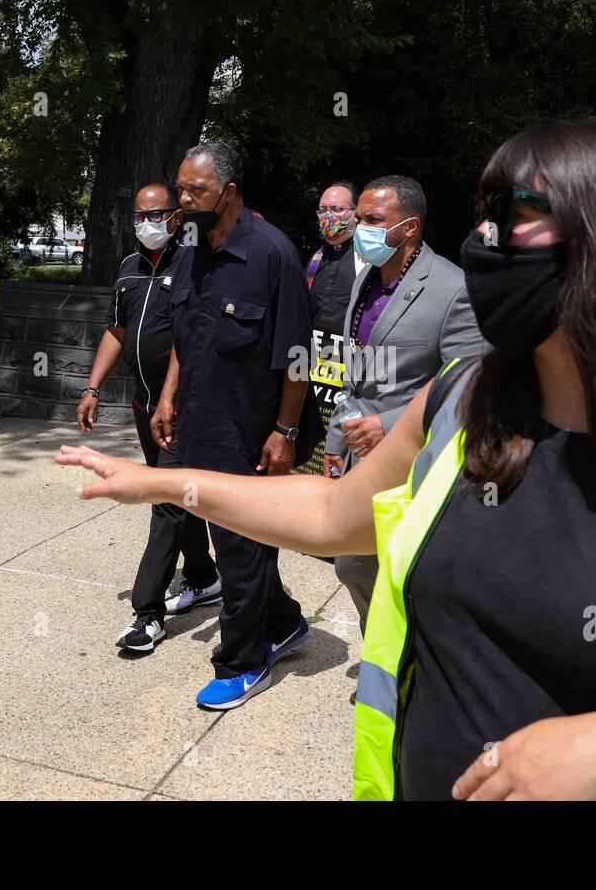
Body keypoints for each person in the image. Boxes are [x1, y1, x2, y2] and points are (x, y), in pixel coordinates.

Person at [59, 118, 596, 802]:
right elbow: (329, 517)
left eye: (512, 213)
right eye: (483, 211)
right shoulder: (462, 403)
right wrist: (165, 484)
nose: (482, 236)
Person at [150, 140, 323, 710]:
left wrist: (286, 432)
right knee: (228, 536)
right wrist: (168, 397)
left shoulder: (273, 255)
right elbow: (185, 333)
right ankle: (286, 621)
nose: (182, 199)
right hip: (198, 419)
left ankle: (244, 662)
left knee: (241, 543)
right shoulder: (192, 246)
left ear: (227, 191)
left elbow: (298, 356)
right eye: (180, 187)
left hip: (249, 429)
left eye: (194, 189)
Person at [323, 175, 483, 638]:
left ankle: (411, 664)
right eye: (359, 219)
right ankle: (389, 656)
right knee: (354, 563)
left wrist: (392, 423)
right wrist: (337, 436)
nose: (360, 230)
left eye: (373, 221)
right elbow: (354, 374)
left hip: (419, 458)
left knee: (410, 571)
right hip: (360, 454)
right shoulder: (365, 282)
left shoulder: (453, 288)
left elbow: (470, 380)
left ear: (409, 226)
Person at [77, 183, 220, 653]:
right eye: (138, 216)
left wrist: (169, 398)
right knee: (180, 495)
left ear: (175, 218)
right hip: (145, 404)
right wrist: (93, 387)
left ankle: (148, 613)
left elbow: (190, 337)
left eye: (156, 214)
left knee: (164, 500)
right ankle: (202, 576)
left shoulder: (192, 263)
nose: (146, 224)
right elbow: (116, 331)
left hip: (180, 405)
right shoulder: (127, 268)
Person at [306, 181, 360, 338]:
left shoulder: (368, 260)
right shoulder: (315, 260)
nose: (328, 216)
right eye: (323, 210)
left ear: (356, 214)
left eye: (338, 209)